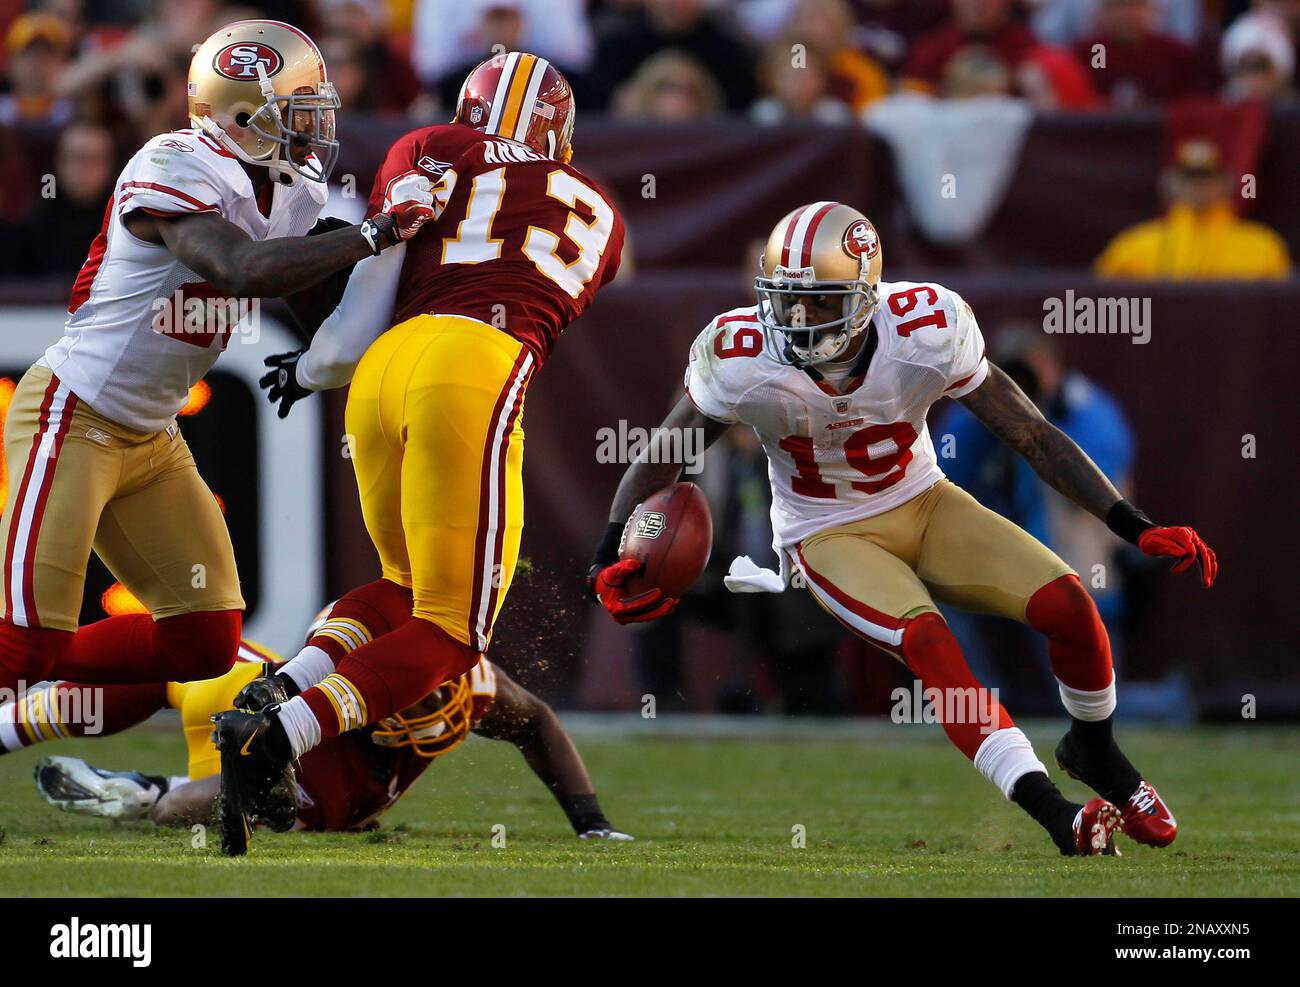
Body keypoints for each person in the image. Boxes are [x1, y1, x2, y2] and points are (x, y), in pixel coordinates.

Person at [589, 201, 1216, 856]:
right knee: (932, 645)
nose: (798, 322)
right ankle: (1056, 813)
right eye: (787, 300)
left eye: (820, 302)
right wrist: (608, 543)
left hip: (924, 500)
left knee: (1071, 605)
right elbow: (666, 448)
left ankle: (1096, 750)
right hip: (829, 532)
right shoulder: (742, 352)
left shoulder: (926, 324)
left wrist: (1131, 524)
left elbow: (1030, 431)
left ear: (865, 295)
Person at [215, 51, 625, 855]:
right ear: (561, 136)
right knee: (453, 631)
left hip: (380, 373)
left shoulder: (430, 145)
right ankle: (283, 733)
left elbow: (363, 308)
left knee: (405, 589)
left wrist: (308, 367)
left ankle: (285, 684)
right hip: (477, 364)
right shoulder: (600, 206)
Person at [0, 20, 434, 701]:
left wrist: (348, 355)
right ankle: (29, 664)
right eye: (298, 109)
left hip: (151, 433)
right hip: (74, 411)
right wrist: (375, 234)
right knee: (25, 641)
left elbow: (301, 289)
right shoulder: (172, 162)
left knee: (203, 640)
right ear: (240, 112)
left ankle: (37, 671)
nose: (315, 125)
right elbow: (240, 268)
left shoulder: (296, 187)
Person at [4, 608, 629, 843]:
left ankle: (15, 716)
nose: (432, 706)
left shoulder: (468, 673)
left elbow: (537, 723)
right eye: (410, 699)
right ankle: (143, 791)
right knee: (232, 787)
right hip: (272, 729)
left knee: (187, 667)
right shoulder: (337, 771)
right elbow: (229, 792)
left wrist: (593, 826)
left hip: (248, 689)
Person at [1095, 138, 1292, 279]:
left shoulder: (1262, 245)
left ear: (1227, 184)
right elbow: (1101, 309)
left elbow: (1284, 315)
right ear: (1170, 185)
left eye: (1208, 178)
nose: (1199, 187)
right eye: (1189, 179)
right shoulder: (1135, 245)